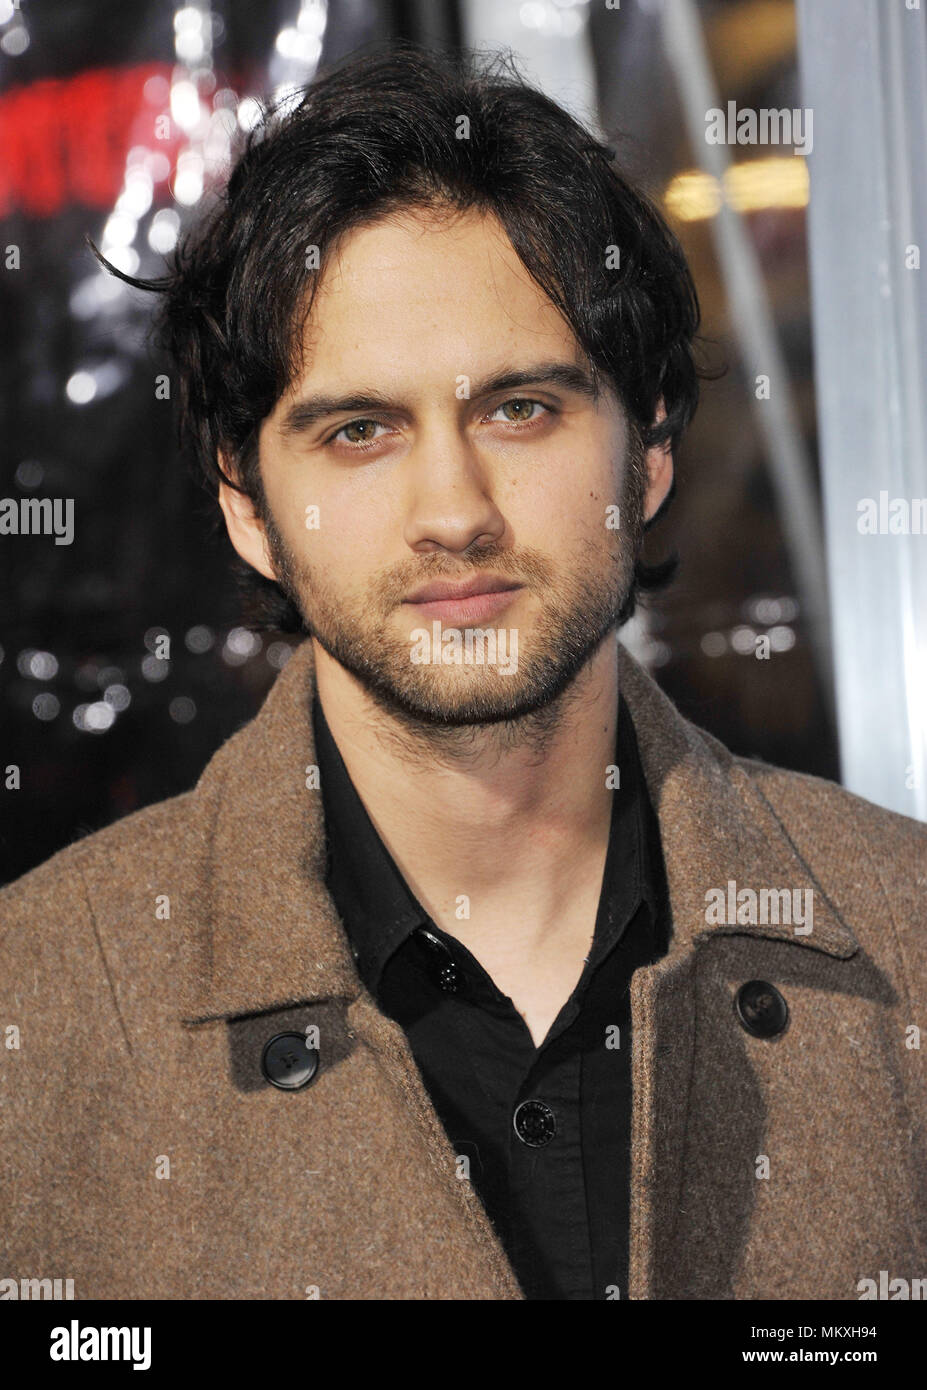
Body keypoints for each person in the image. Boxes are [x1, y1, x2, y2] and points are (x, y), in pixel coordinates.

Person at [1, 43, 924, 1302]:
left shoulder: (905, 934)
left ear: (646, 451)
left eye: (522, 409)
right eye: (360, 431)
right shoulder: (40, 1009)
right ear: (248, 506)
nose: (455, 511)